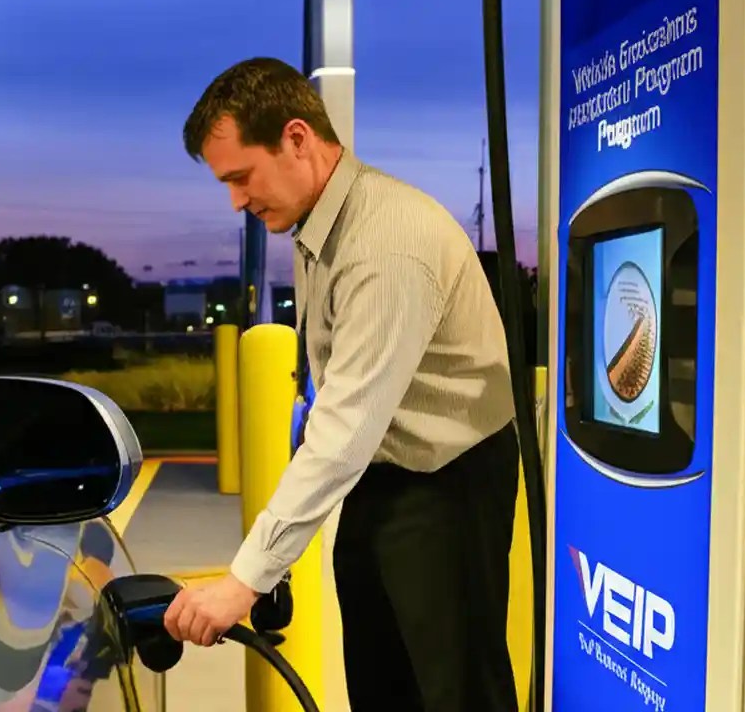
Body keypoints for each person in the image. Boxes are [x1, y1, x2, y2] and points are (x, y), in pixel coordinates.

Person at [163, 57, 522, 711]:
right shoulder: (321, 229)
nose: (237, 201)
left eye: (241, 177)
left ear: (297, 138)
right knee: (383, 685)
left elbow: (343, 432)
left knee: (456, 692)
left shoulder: (385, 246)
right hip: (381, 477)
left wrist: (243, 582)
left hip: (447, 484)